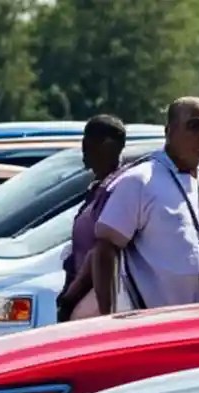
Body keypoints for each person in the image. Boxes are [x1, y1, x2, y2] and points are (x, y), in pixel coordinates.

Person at [91, 97, 199, 315]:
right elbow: (105, 248)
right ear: (169, 132)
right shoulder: (141, 181)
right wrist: (108, 315)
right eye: (195, 127)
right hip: (154, 325)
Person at [56, 115, 128, 322]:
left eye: (88, 146)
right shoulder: (99, 188)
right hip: (83, 295)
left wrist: (71, 297)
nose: (83, 154)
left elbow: (98, 251)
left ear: (107, 147)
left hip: (96, 301)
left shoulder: (117, 190)